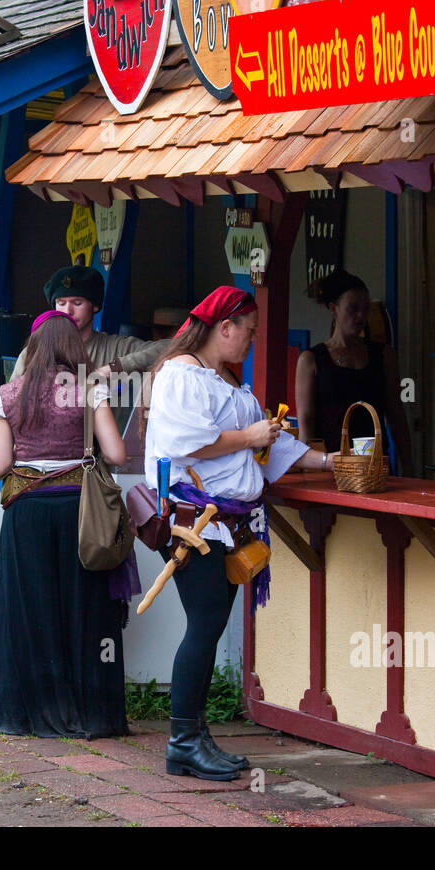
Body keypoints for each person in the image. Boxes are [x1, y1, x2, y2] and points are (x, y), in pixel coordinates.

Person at [144, 286, 335, 781]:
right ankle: (183, 742)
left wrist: (329, 461)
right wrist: (250, 437)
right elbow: (182, 443)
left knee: (207, 630)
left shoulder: (223, 381)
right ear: (223, 327)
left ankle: (194, 737)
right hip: (198, 525)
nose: (252, 341)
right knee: (204, 629)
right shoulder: (181, 376)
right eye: (247, 331)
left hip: (225, 527)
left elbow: (276, 446)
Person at [0, 310, 132, 739]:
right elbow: (118, 454)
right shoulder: (89, 390)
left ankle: (22, 714)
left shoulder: (10, 394)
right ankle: (92, 715)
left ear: (33, 348)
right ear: (75, 348)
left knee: (28, 611)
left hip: (27, 515)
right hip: (80, 513)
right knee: (84, 610)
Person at [12, 266, 170, 426]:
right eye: (61, 303)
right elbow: (10, 402)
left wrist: (113, 368)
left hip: (102, 448)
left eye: (77, 303)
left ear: (94, 306)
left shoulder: (114, 347)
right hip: (46, 448)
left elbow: (170, 346)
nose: (68, 311)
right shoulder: (35, 352)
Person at [294, 270, 414, 475]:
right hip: (330, 467)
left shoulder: (383, 355)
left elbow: (396, 414)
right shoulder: (312, 360)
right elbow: (306, 423)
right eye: (353, 309)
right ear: (334, 309)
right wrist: (308, 470)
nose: (360, 316)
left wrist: (409, 467)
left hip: (373, 468)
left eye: (365, 309)